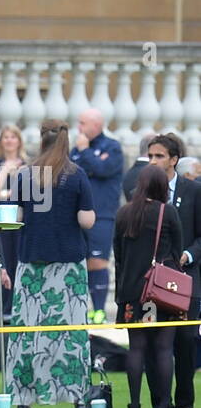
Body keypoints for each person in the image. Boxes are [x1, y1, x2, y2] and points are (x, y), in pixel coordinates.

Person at [5, 120, 95, 408]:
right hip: (68, 266)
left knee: (27, 331)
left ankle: (23, 400)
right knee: (71, 332)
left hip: (31, 263)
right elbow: (86, 221)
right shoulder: (77, 176)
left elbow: (15, 217)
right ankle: (78, 398)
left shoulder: (25, 175)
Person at [114, 167, 183, 408]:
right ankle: (164, 406)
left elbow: (118, 257)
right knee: (164, 348)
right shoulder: (168, 212)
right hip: (161, 291)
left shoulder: (124, 213)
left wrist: (120, 295)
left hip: (133, 291)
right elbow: (177, 251)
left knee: (137, 348)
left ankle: (134, 405)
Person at [143, 133, 201, 408]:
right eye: (150, 156)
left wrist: (188, 254)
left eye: (159, 156)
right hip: (152, 283)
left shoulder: (193, 191)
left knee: (187, 339)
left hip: (187, 279)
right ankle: (159, 402)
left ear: (174, 160)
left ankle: (185, 402)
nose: (153, 161)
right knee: (154, 339)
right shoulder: (143, 192)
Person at [71, 108, 124, 323]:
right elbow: (75, 171)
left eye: (83, 123)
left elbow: (102, 169)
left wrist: (85, 153)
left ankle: (99, 311)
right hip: (77, 215)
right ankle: (81, 309)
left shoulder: (112, 147)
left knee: (98, 261)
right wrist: (87, 156)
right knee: (80, 262)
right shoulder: (76, 149)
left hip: (102, 214)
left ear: (96, 124)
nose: (79, 128)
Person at [0, 124, 27, 318]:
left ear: (19, 140)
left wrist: (8, 193)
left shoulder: (27, 164)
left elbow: (28, 193)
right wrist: (5, 171)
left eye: (13, 136)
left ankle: (20, 312)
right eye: (6, 137)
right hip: (0, 224)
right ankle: (3, 314)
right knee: (3, 267)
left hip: (20, 224)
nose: (9, 140)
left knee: (19, 265)